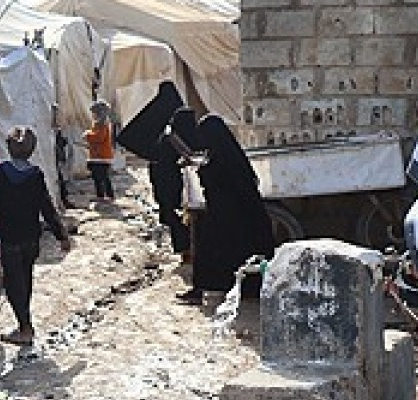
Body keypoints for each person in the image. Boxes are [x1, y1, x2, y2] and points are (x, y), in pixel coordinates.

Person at [167, 105, 275, 303]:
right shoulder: (223, 153)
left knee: (217, 250)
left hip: (232, 216)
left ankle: (209, 289)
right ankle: (203, 289)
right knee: (214, 250)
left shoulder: (223, 159)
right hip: (224, 214)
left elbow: (232, 186)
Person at [0, 126, 73, 346]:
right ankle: (24, 323)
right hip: (31, 237)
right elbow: (47, 207)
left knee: (13, 283)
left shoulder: (1, 173)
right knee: (25, 280)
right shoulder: (35, 175)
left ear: (9, 148)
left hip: (9, 237)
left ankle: (25, 328)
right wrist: (61, 234)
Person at [115, 81, 189, 258]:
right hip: (177, 174)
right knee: (180, 211)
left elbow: (129, 137)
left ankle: (183, 248)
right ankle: (186, 248)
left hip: (162, 173)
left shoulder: (158, 119)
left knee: (173, 211)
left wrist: (151, 154)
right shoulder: (180, 122)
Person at [84, 100, 115, 202]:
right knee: (98, 177)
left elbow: (99, 138)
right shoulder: (98, 124)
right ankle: (101, 195)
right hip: (97, 156)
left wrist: (88, 135)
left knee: (103, 177)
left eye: (94, 113)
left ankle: (108, 195)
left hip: (101, 157)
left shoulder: (103, 125)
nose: (93, 116)